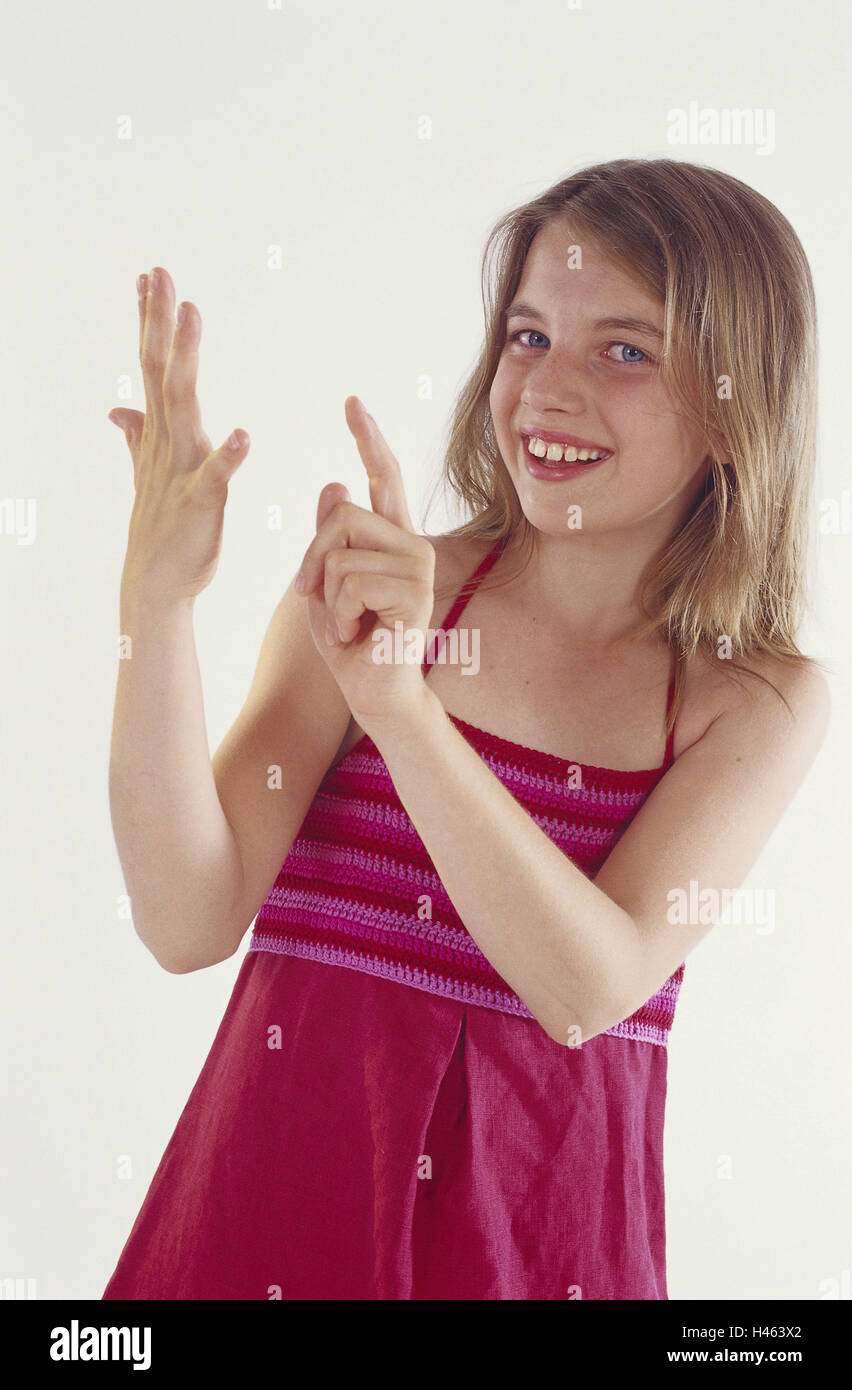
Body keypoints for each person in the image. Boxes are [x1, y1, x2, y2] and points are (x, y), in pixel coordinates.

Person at [101, 158, 830, 1301]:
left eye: (625, 351)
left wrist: (403, 711)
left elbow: (586, 989)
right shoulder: (375, 597)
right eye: (529, 335)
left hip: (537, 1254)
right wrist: (157, 606)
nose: (549, 387)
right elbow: (185, 919)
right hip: (271, 1224)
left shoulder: (754, 700)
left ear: (739, 412)